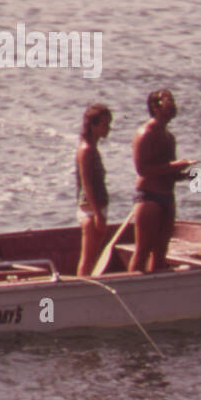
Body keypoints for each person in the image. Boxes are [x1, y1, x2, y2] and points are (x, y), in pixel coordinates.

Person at [130, 89, 195, 273]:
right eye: (168, 102)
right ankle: (131, 289)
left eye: (173, 101)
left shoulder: (169, 137)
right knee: (143, 250)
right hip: (149, 198)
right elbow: (142, 169)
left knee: (161, 251)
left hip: (167, 197)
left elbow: (168, 172)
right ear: (155, 107)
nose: (173, 106)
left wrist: (185, 175)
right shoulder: (145, 133)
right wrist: (174, 167)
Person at [75, 103, 112, 275]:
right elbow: (87, 184)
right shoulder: (86, 150)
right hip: (90, 210)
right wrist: (97, 214)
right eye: (104, 124)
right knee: (88, 260)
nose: (108, 128)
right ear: (92, 125)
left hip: (95, 209)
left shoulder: (92, 147)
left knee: (92, 259)